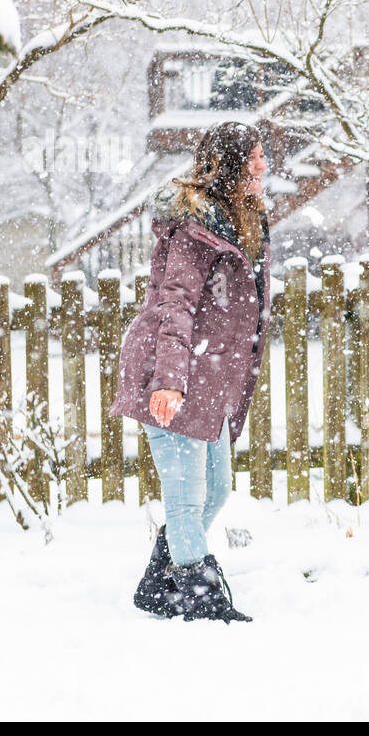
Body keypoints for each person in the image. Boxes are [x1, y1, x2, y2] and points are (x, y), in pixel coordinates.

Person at [108, 121, 271, 623]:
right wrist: (168, 382)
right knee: (185, 499)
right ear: (231, 166)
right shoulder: (194, 231)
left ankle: (162, 582)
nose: (264, 166)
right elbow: (172, 306)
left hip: (210, 377)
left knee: (217, 490)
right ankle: (201, 602)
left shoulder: (243, 221)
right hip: (175, 372)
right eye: (255, 158)